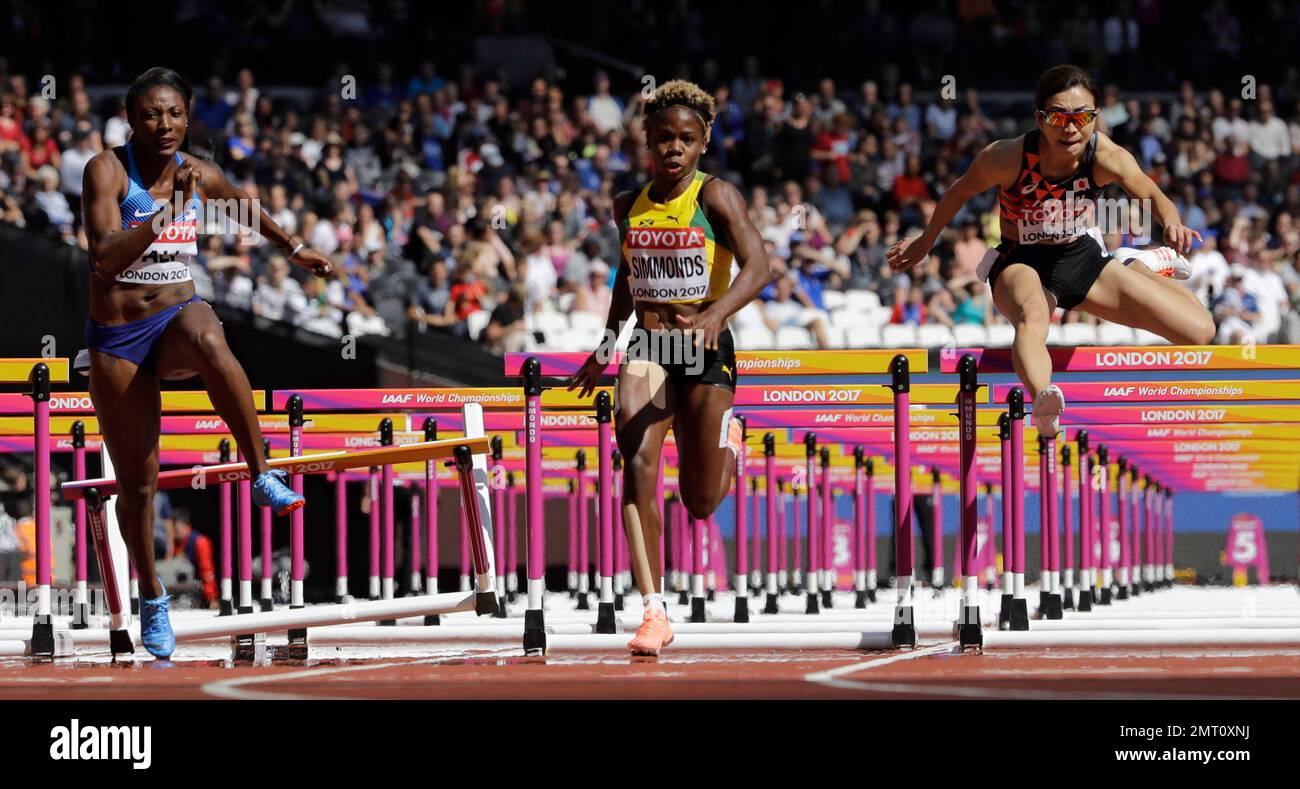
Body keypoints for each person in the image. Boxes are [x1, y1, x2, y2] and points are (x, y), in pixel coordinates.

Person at [80, 68, 332, 658]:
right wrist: (169, 211)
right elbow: (105, 258)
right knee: (137, 489)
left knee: (210, 336)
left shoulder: (199, 173)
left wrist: (293, 249)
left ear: (188, 116)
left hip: (173, 320)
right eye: (149, 114)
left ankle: (260, 470)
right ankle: (151, 595)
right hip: (118, 339)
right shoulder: (108, 171)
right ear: (130, 119)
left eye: (173, 113)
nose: (162, 125)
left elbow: (244, 209)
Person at [887, 65, 1214, 438]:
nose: (1071, 128)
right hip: (1021, 258)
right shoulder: (1006, 157)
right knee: (1032, 316)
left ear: (1095, 117)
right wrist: (925, 241)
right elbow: (958, 192)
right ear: (1039, 118)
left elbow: (1155, 196)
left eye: (1083, 117)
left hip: (1081, 258)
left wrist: (1171, 222)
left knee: (1199, 332)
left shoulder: (1106, 156)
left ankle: (1134, 264)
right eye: (1059, 116)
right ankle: (1044, 401)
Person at [569, 80, 768, 657]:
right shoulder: (625, 205)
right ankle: (654, 611)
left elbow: (760, 267)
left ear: (703, 142)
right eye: (663, 139)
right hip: (651, 350)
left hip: (704, 351)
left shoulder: (716, 197)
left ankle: (731, 441)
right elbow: (628, 280)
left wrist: (716, 313)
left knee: (700, 502)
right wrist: (606, 347)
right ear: (647, 143)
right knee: (636, 466)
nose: (673, 148)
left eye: (685, 139)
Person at [170, 508, 217, 609]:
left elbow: (207, 572)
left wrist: (211, 598)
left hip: (194, 590)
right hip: (174, 589)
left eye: (175, 527)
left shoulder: (200, 542)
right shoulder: (170, 544)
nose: (172, 532)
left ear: (185, 525)